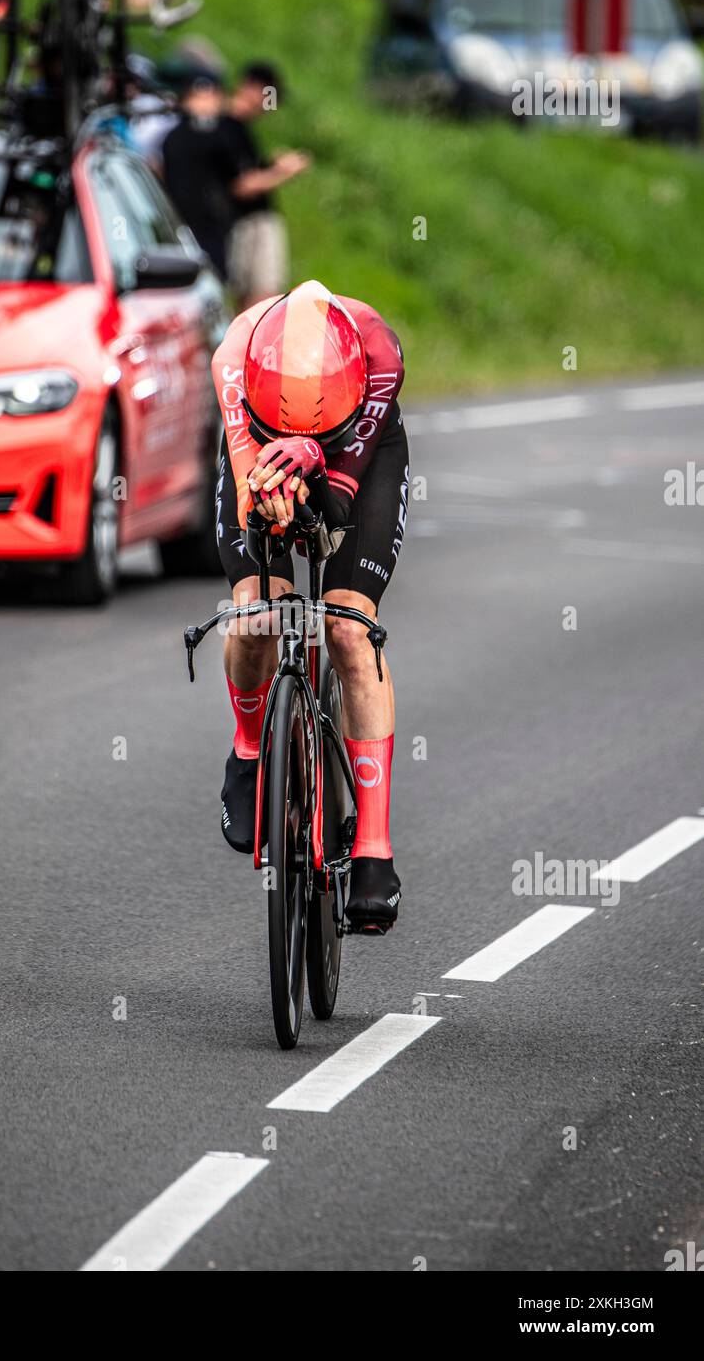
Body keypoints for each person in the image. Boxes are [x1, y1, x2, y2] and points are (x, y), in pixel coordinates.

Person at [211, 280, 409, 931]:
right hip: (261, 459)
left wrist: (319, 467)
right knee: (257, 610)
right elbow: (249, 501)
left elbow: (341, 505)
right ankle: (247, 750)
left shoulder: (379, 353)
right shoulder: (233, 361)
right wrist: (268, 502)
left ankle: (373, 849)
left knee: (349, 629)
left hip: (359, 456)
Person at [220, 63, 311, 307]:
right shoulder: (228, 128)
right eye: (271, 95)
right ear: (253, 88)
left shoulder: (238, 129)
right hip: (250, 226)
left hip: (243, 226)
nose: (272, 105)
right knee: (262, 303)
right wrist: (284, 171)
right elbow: (242, 184)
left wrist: (270, 163)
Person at [161, 69, 241, 279]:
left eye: (210, 97)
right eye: (197, 97)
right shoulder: (176, 137)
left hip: (213, 227)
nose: (204, 104)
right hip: (183, 225)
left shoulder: (223, 135)